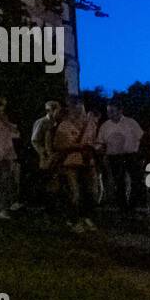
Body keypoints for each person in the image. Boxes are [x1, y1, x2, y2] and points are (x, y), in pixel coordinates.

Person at [52, 97, 100, 232]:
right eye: (74, 107)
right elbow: (58, 145)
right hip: (71, 162)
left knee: (92, 193)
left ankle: (86, 217)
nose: (78, 110)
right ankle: (73, 220)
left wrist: (97, 148)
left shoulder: (90, 124)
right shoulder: (64, 125)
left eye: (80, 107)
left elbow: (95, 140)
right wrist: (78, 146)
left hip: (88, 162)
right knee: (74, 193)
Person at [97, 102, 143, 212]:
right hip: (114, 157)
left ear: (120, 111)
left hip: (130, 155)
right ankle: (122, 207)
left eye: (112, 111)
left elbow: (141, 137)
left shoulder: (131, 123)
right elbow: (100, 142)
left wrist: (139, 153)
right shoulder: (105, 126)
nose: (109, 114)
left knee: (135, 180)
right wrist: (100, 150)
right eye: (108, 111)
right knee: (119, 182)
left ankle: (133, 205)